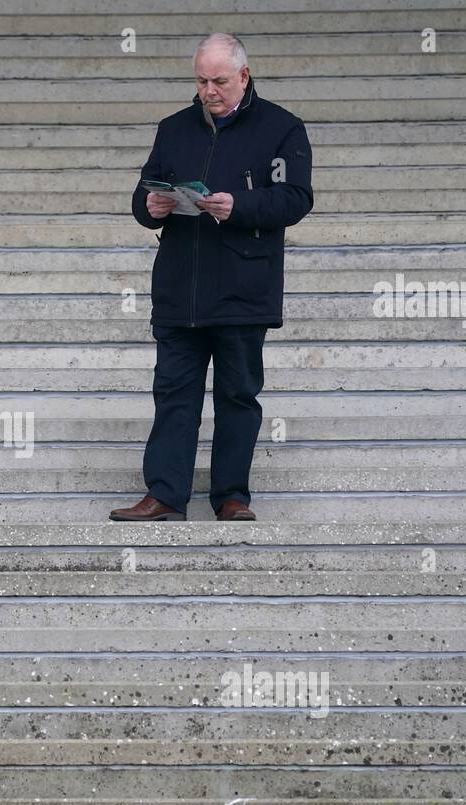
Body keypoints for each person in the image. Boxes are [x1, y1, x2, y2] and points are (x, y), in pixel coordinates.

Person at [111, 33, 314, 522]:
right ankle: (164, 494)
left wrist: (238, 205)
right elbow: (142, 197)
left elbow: (296, 199)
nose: (209, 90)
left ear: (244, 76)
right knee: (173, 395)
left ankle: (232, 496)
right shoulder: (173, 128)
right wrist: (152, 205)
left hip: (244, 289)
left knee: (237, 397)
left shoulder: (282, 128)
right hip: (181, 290)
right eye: (201, 81)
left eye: (219, 80)